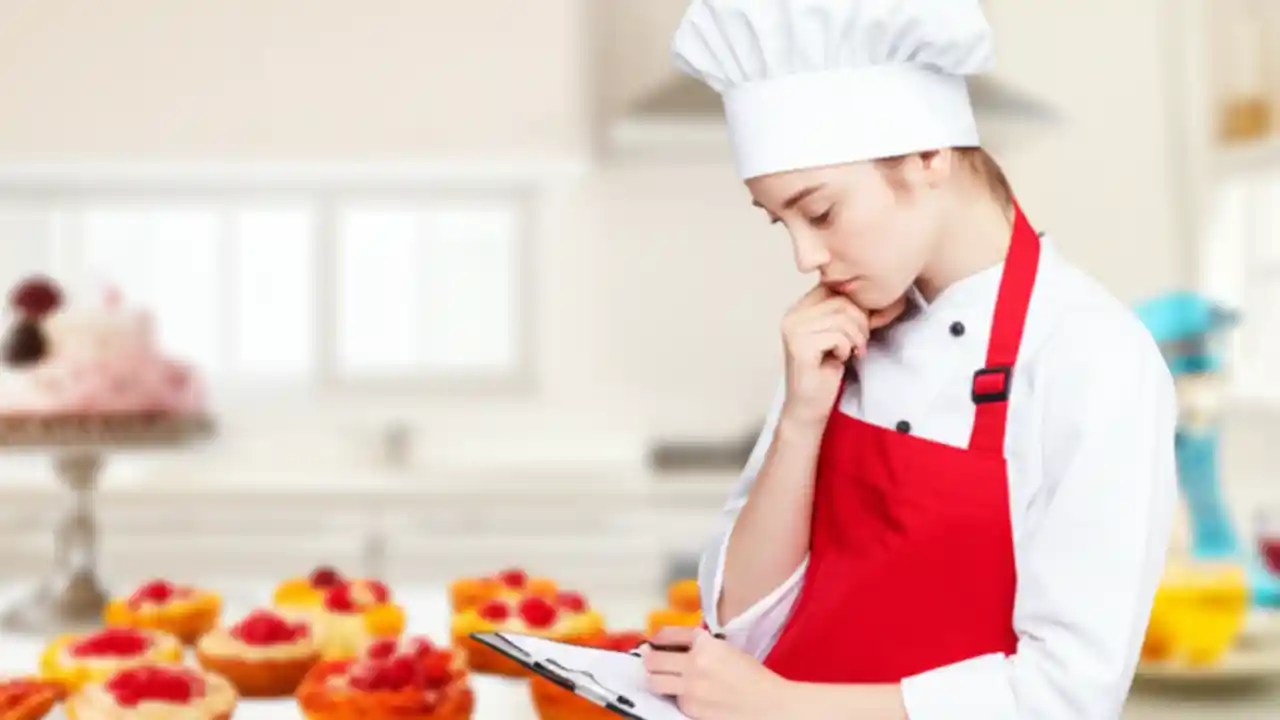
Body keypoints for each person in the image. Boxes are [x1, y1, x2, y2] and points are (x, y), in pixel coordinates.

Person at [639, 1, 1178, 718]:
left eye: (821, 213)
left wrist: (784, 708)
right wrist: (802, 418)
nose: (805, 256)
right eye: (783, 223)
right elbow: (740, 623)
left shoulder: (1091, 356)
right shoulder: (841, 333)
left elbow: (1068, 695)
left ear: (928, 155)